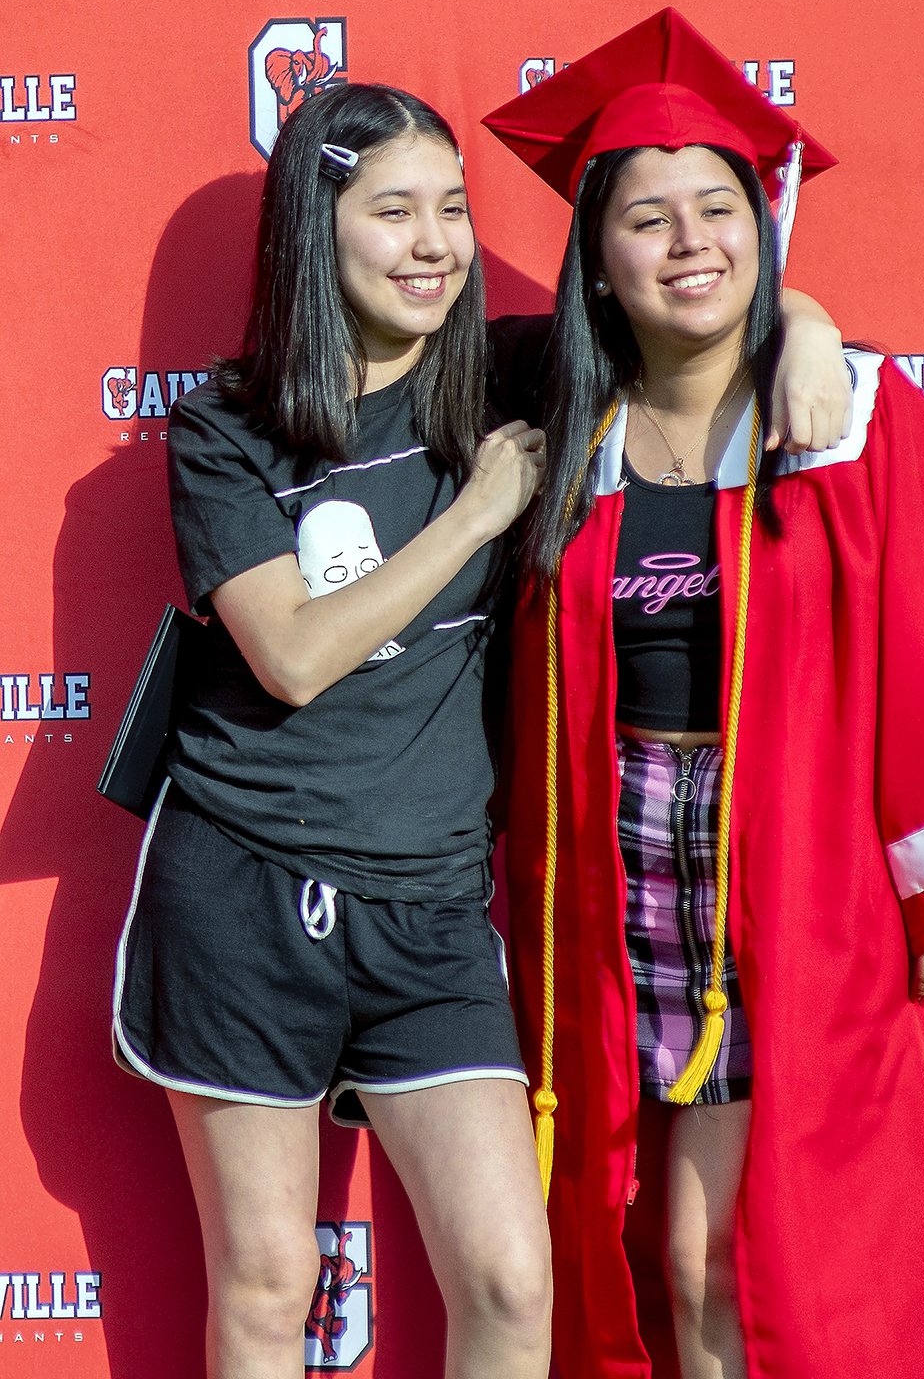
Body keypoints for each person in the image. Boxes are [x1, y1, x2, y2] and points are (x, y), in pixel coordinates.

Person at [110, 77, 850, 1379]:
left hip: (437, 912)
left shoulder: (510, 372)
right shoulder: (224, 429)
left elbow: (688, 330)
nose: (435, 243)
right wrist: (472, 514)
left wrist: (799, 318)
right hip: (243, 894)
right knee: (269, 1283)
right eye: (393, 211)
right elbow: (286, 655)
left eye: (451, 209)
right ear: (313, 232)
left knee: (511, 1282)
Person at [482, 10, 924, 1379]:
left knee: (735, 1254)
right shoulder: (547, 429)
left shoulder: (848, 420)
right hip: (607, 883)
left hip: (783, 870)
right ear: (595, 264)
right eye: (645, 218)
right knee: (628, 1240)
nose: (688, 242)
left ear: (761, 231)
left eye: (717, 208)